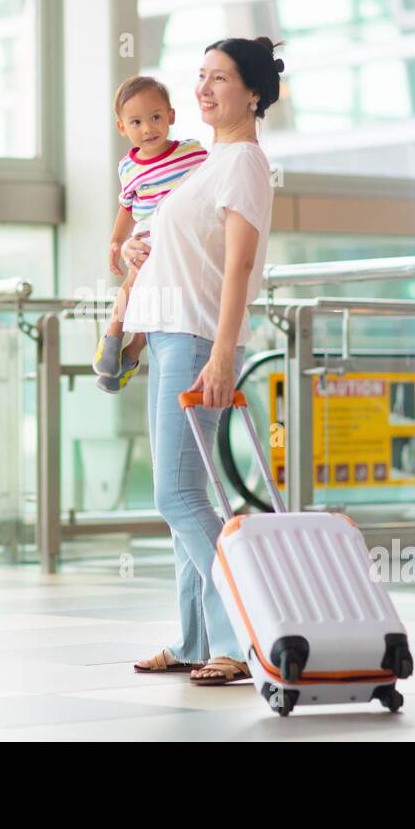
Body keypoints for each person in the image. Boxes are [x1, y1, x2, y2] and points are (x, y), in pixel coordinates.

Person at [122, 37, 284, 685]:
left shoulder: (243, 162)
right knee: (184, 494)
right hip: (168, 335)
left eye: (220, 78)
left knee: (178, 494)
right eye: (201, 77)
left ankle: (238, 638)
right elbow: (182, 242)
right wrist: (139, 250)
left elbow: (239, 265)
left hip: (196, 340)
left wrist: (222, 355)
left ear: (253, 93)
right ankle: (195, 637)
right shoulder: (203, 163)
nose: (205, 88)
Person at [93, 76, 207, 393]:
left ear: (171, 115)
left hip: (181, 245)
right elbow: (126, 206)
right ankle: (113, 337)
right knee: (133, 286)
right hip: (147, 240)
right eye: (136, 122)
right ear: (122, 127)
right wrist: (116, 241)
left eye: (155, 117)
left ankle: (132, 353)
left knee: (160, 307)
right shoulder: (128, 167)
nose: (148, 128)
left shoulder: (192, 154)